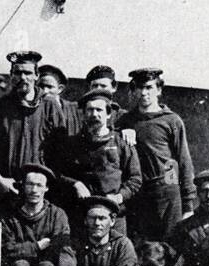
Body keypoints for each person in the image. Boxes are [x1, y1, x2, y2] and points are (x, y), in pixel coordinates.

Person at [116, 68, 195, 243]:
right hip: (138, 194)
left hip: (166, 192)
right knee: (140, 244)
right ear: (134, 90)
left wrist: (187, 205)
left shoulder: (171, 121)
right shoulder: (126, 121)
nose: (144, 93)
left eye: (149, 87)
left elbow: (183, 161)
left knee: (170, 244)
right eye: (139, 88)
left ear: (158, 90)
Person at [49, 89, 142, 237]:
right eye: (90, 110)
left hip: (114, 213)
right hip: (83, 214)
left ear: (108, 114)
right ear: (83, 114)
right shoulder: (73, 144)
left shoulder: (121, 142)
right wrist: (76, 184)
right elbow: (59, 174)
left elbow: (135, 179)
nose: (94, 114)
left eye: (99, 110)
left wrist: (119, 197)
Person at [0, 50, 61, 218]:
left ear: (36, 75)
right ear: (11, 75)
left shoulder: (49, 107)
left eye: (27, 73)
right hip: (7, 188)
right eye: (17, 73)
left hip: (38, 191)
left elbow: (59, 150)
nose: (23, 78)